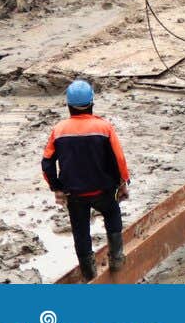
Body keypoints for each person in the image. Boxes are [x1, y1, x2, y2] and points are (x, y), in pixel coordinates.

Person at [41, 79, 131, 280]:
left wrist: (56, 187)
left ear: (68, 105)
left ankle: (89, 271)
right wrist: (123, 182)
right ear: (91, 103)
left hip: (74, 193)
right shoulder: (104, 127)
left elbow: (47, 163)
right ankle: (116, 257)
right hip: (103, 189)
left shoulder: (59, 130)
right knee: (112, 213)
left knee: (80, 230)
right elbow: (119, 159)